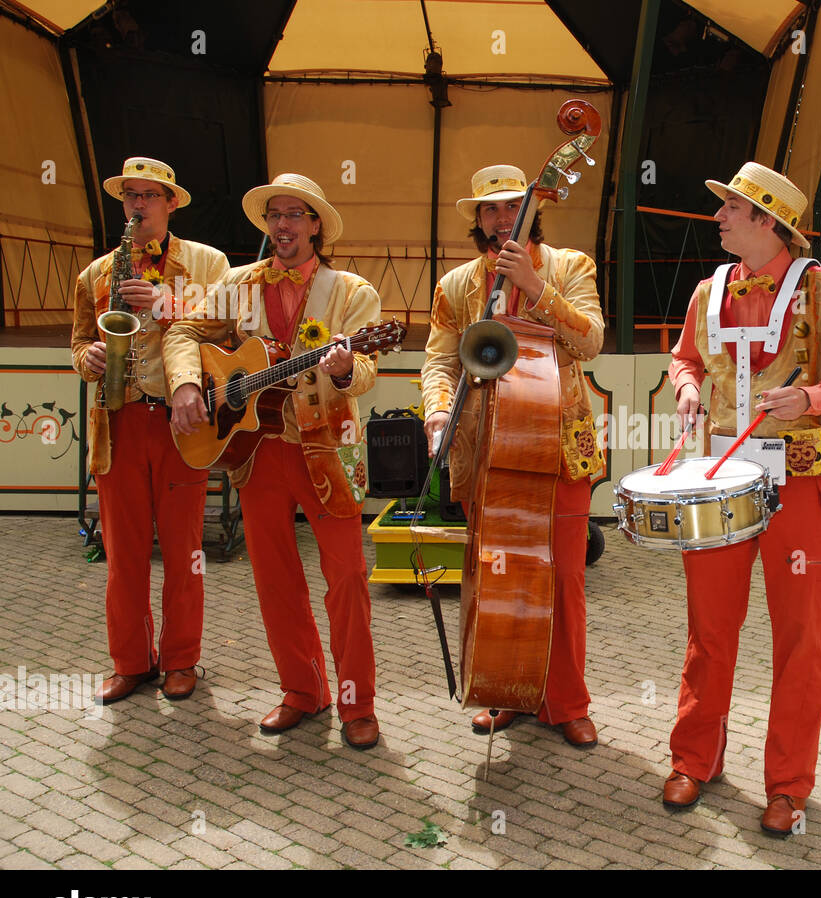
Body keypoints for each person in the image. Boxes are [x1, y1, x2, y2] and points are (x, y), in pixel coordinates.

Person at [665, 162, 821, 834]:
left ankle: (787, 787)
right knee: (709, 631)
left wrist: (811, 397)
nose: (717, 217)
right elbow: (685, 358)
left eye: (729, 208)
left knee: (800, 639)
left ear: (764, 219)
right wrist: (687, 387)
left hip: (800, 486)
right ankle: (695, 759)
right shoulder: (708, 290)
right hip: (722, 479)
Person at [164, 174, 381, 749]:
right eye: (274, 216)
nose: (282, 226)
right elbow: (185, 329)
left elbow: (364, 371)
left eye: (294, 215)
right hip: (255, 451)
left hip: (328, 451)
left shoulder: (351, 290)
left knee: (349, 579)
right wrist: (189, 383)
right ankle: (303, 692)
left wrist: (342, 369)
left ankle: (358, 703)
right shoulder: (236, 284)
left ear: (316, 225)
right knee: (275, 581)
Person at [420, 164, 604, 748]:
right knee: (496, 576)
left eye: (512, 207)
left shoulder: (572, 267)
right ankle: (508, 691)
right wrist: (437, 412)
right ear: (477, 220)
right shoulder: (455, 287)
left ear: (534, 211)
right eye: (490, 210)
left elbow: (591, 340)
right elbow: (439, 361)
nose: (502, 219)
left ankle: (566, 701)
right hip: (487, 449)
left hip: (559, 443)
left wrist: (538, 286)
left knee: (564, 579)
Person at [72, 157, 229, 705]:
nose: (137, 205)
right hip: (117, 424)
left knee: (185, 551)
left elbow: (226, 328)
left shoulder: (208, 262)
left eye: (149, 195)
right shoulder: (97, 272)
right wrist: (88, 357)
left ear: (170, 202)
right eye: (129, 196)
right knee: (125, 553)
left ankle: (182, 659)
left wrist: (169, 305)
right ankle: (131, 662)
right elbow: (76, 344)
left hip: (180, 423)